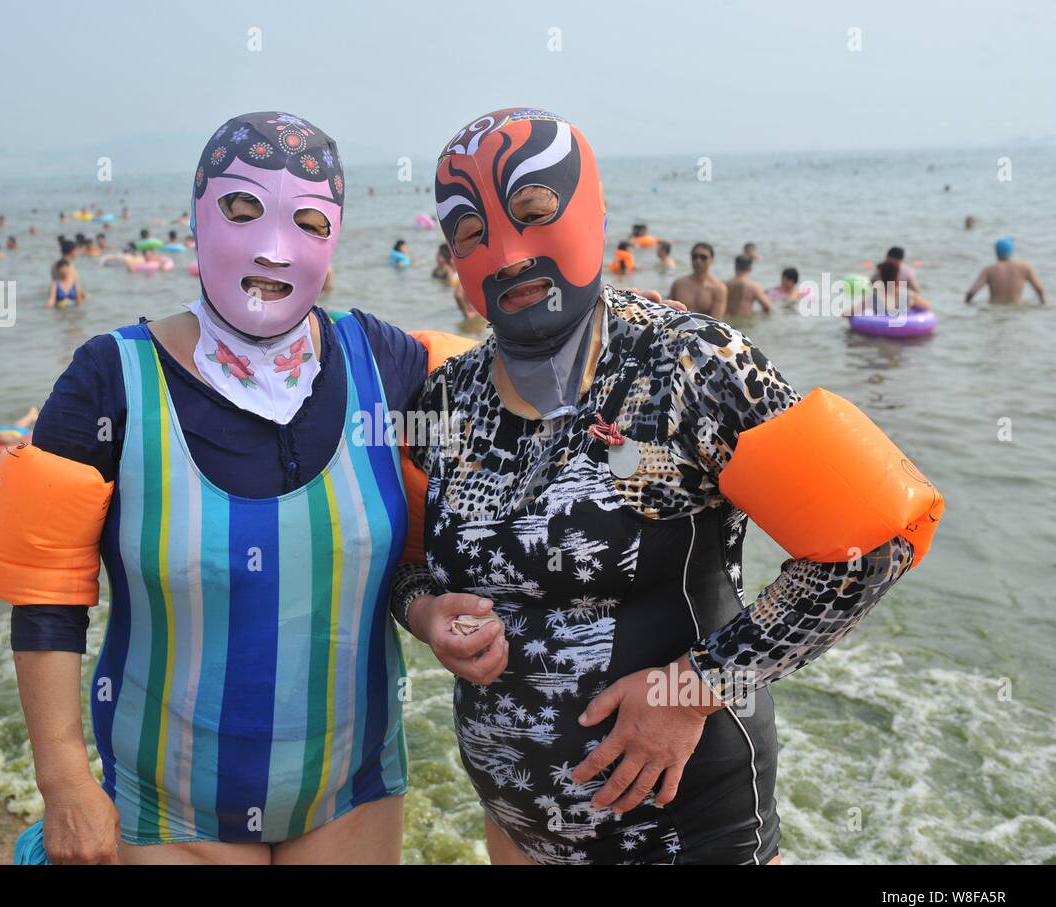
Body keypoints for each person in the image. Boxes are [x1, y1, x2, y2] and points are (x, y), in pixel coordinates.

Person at [393, 106, 941, 865]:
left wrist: (696, 684)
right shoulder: (445, 399)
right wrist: (422, 610)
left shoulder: (691, 366)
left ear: (589, 214)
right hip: (516, 830)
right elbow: (402, 554)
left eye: (533, 214)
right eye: (472, 235)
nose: (509, 253)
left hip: (686, 828)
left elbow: (868, 545)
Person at [0, 111, 442, 866]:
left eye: (307, 220)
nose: (272, 246)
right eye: (241, 210)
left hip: (355, 786)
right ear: (195, 216)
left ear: (335, 237)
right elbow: (49, 596)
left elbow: (526, 421)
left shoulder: (385, 360)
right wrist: (64, 783)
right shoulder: (108, 380)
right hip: (170, 804)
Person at [965, 237, 1045, 305]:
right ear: (1011, 252)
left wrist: (966, 305)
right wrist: (1043, 304)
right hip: (1017, 310)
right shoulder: (1024, 267)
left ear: (996, 252)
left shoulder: (989, 270)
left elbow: (971, 292)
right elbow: (1039, 290)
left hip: (995, 310)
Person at [669, 242, 726, 318]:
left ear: (711, 260)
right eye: (694, 257)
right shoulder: (678, 284)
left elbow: (716, 320)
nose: (698, 261)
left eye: (703, 257)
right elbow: (668, 312)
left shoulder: (718, 289)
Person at [725, 254, 772, 318]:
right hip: (746, 321)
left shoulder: (725, 284)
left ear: (735, 267)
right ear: (750, 268)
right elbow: (767, 306)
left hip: (728, 321)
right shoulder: (753, 286)